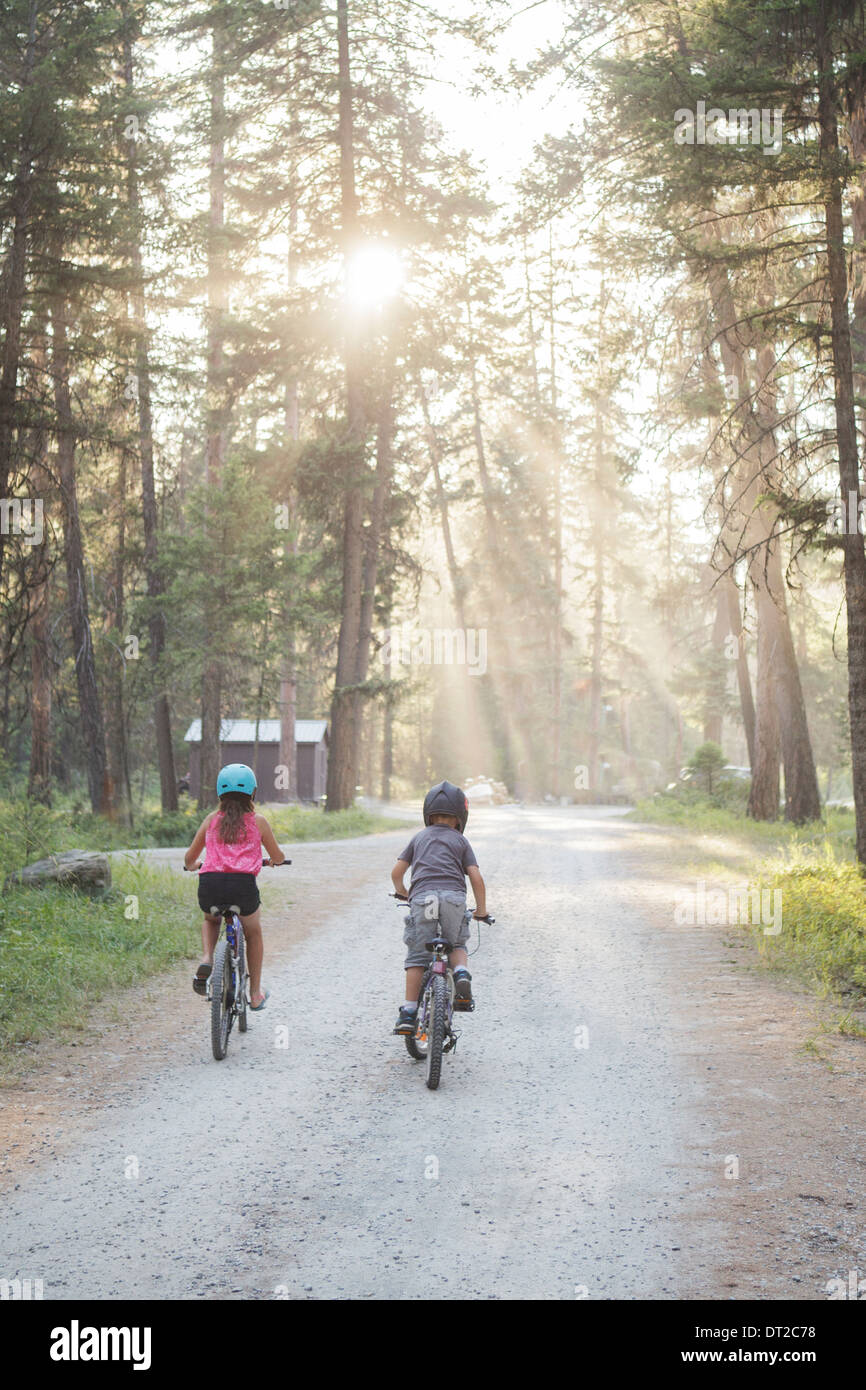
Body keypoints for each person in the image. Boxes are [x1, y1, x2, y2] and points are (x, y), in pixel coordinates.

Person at [183, 763, 287, 1010]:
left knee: (211, 920)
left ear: (220, 793)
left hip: (211, 884)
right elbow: (279, 856)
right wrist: (274, 861)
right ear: (252, 793)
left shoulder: (211, 820)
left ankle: (208, 957)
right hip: (243, 886)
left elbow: (189, 859)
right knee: (253, 933)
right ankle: (255, 994)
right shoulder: (258, 822)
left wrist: (193, 865)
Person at [390, 779, 489, 1036]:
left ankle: (409, 1013)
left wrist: (404, 892)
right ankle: (462, 974)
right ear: (460, 819)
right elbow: (476, 877)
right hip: (453, 899)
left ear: (429, 816)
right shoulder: (460, 841)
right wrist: (481, 910)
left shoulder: (419, 837)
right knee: (456, 943)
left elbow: (397, 872)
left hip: (423, 899)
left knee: (417, 957)